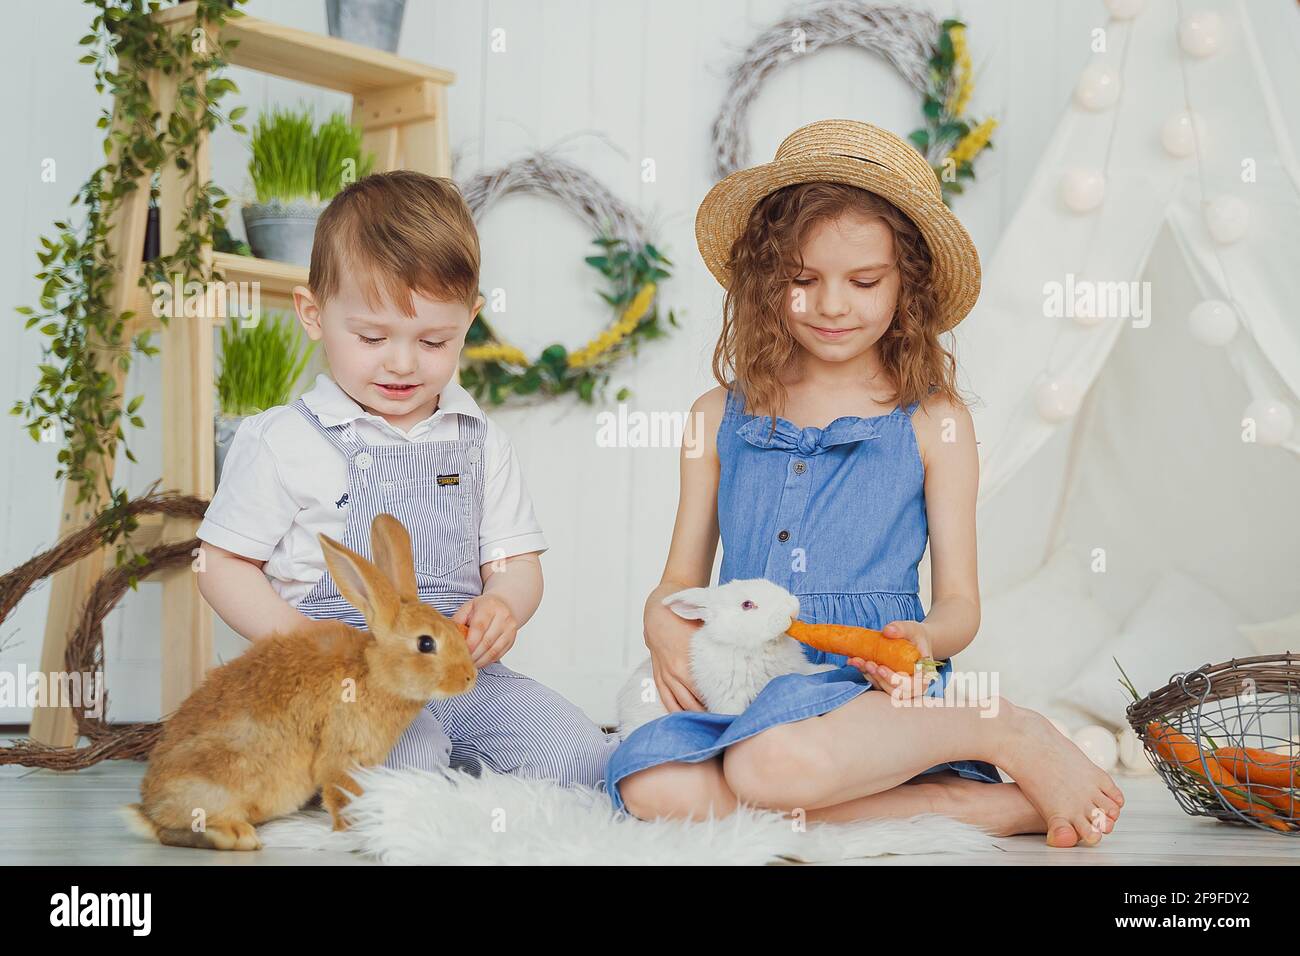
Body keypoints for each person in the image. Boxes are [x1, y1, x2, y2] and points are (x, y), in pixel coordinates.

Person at [608, 120, 1124, 847]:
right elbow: (678, 581)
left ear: (906, 285)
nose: (831, 306)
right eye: (802, 280)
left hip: (876, 690)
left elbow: (960, 606)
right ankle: (961, 806)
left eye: (864, 281)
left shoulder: (934, 422)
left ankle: (997, 725)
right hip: (749, 679)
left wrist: (923, 638)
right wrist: (660, 622)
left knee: (768, 767)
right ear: (765, 282)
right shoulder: (715, 416)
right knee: (649, 785)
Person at [197, 170, 618, 788]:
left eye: (432, 340)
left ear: (468, 322)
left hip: (460, 672)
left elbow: (516, 562)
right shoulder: (284, 440)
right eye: (372, 336)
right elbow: (219, 564)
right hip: (346, 681)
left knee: (573, 749)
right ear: (313, 314)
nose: (401, 362)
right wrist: (303, 639)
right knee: (411, 762)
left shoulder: (479, 441)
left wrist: (505, 602)